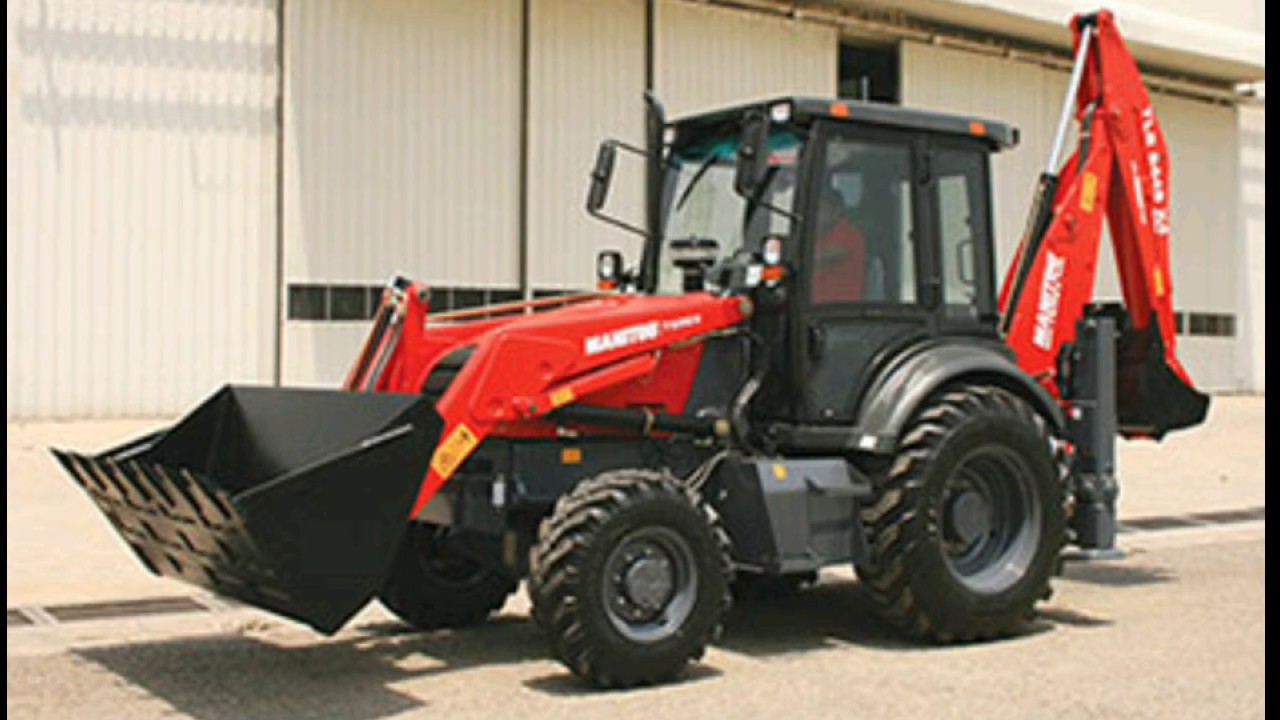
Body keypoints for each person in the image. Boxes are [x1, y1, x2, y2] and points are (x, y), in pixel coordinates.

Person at [810, 184, 867, 304]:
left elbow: (825, 257)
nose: (816, 215)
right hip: (814, 306)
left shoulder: (849, 234)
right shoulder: (817, 236)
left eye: (822, 209)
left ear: (836, 210)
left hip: (840, 308)